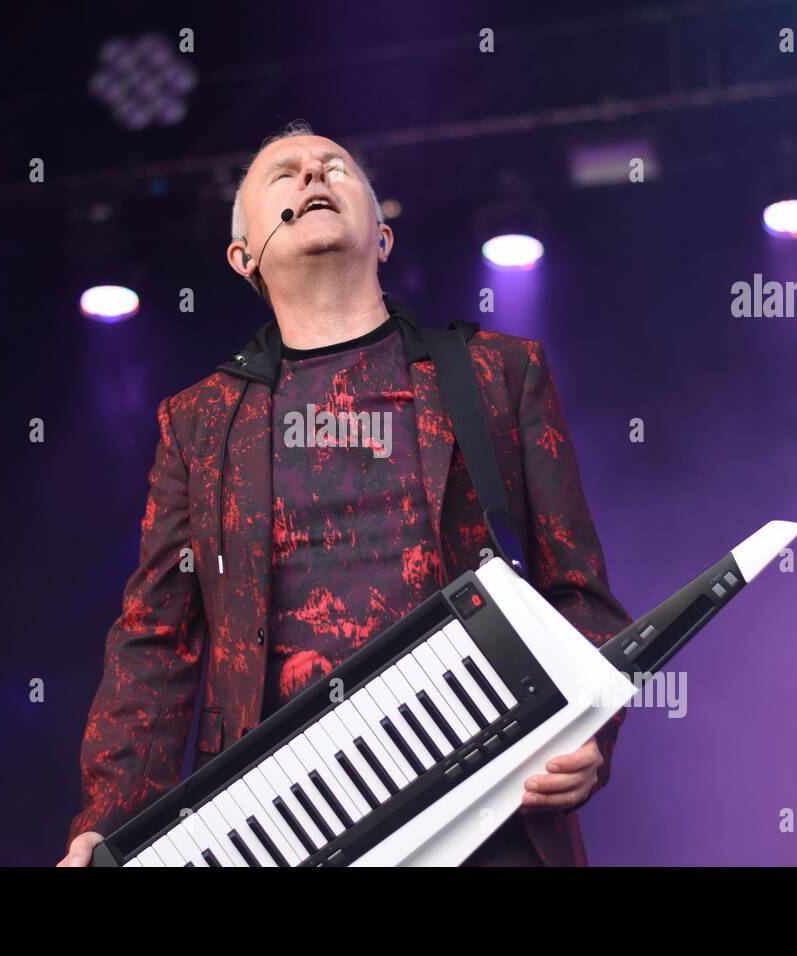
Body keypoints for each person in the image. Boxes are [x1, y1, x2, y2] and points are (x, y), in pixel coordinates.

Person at [58, 120, 630, 867]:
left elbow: (576, 588)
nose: (313, 176)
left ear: (382, 237)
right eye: (283, 174)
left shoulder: (497, 371)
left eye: (335, 167)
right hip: (282, 823)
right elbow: (156, 639)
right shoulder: (198, 423)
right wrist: (104, 824)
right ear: (243, 257)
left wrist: (588, 729)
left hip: (487, 792)